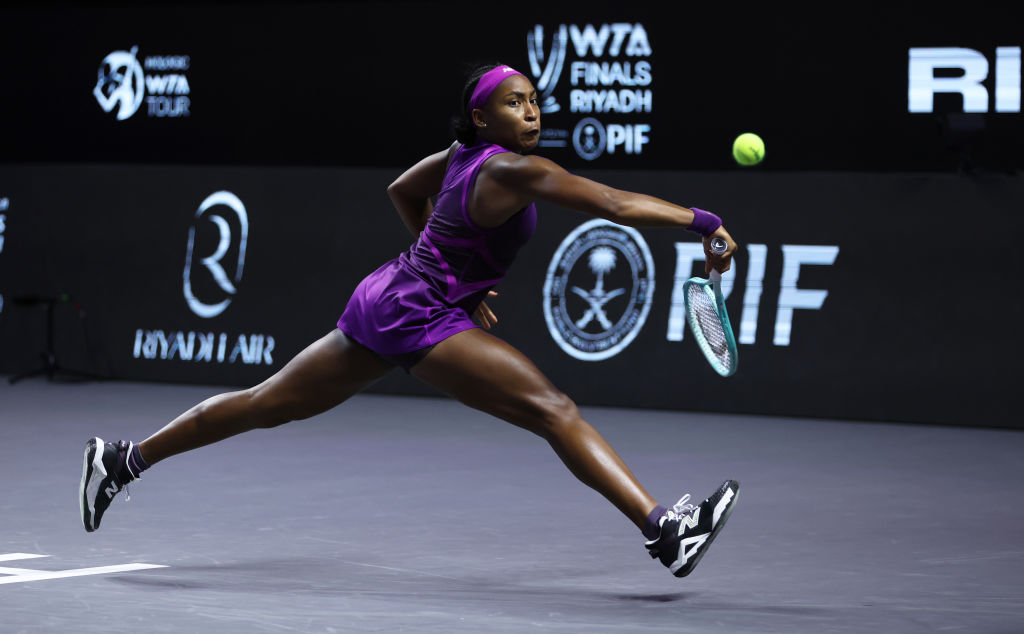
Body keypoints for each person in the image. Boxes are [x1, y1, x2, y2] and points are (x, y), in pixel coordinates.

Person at [80, 63, 740, 578]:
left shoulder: (457, 158)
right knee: (553, 409)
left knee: (266, 403)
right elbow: (613, 203)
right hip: (417, 310)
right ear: (481, 118)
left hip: (391, 295)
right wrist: (703, 222)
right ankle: (667, 532)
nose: (531, 111)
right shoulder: (515, 170)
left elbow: (402, 189)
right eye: (515, 102)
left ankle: (122, 460)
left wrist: (450, 271)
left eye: (535, 100)